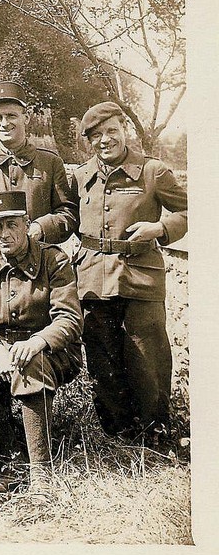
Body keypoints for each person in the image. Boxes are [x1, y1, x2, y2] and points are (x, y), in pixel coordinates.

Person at [73, 102, 188, 440]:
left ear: (125, 129)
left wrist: (159, 228)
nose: (105, 140)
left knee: (147, 356)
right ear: (88, 141)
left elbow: (190, 212)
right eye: (96, 136)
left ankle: (155, 431)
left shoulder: (153, 172)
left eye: (111, 131)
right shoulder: (80, 177)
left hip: (141, 277)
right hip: (93, 279)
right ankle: (118, 435)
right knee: (102, 357)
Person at [0, 191, 82, 493]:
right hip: (0, 347)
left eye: (12, 224)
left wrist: (38, 341)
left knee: (30, 365)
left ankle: (40, 468)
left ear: (26, 224)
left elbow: (69, 319)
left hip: (51, 351)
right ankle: (6, 455)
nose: (5, 234)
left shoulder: (53, 259)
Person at [0, 81, 78, 253]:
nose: (4, 123)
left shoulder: (50, 162)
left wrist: (41, 228)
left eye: (11, 116)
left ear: (26, 117)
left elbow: (69, 212)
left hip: (40, 260)